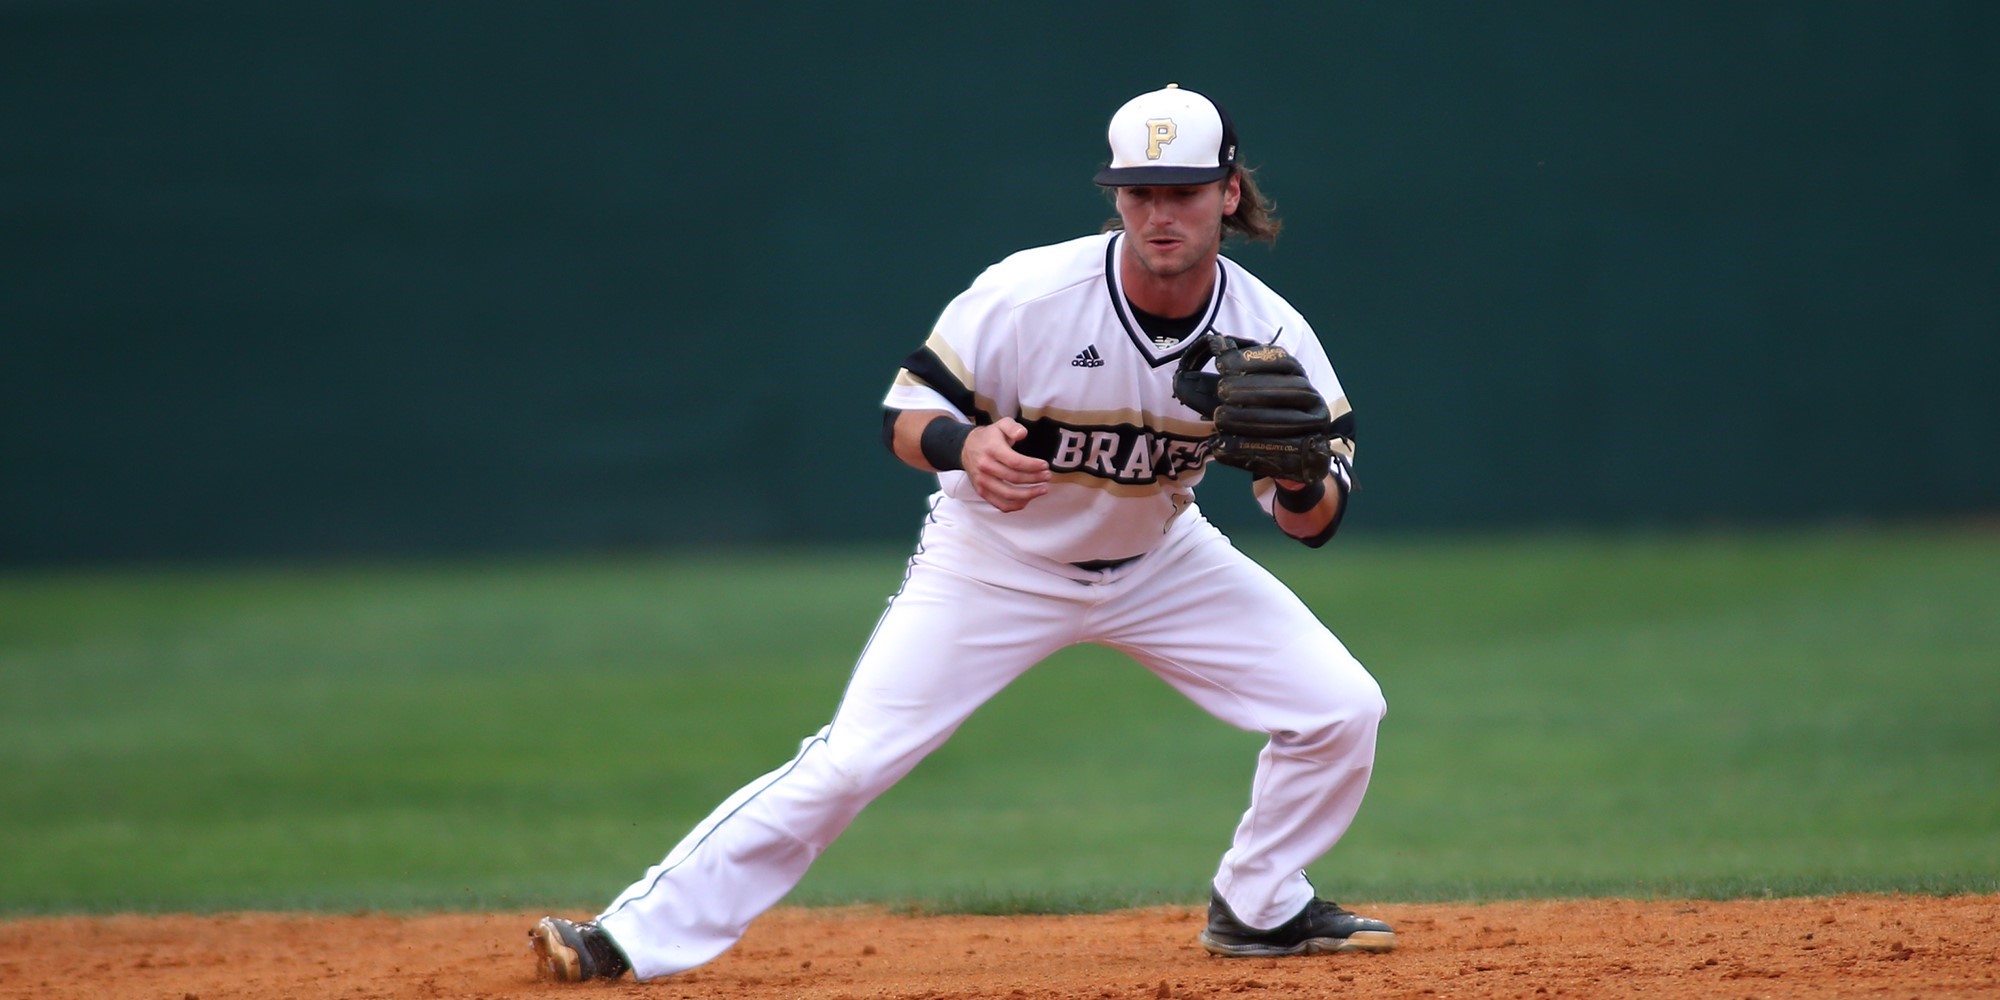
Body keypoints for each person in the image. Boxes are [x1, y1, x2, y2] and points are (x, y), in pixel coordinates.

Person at [529, 83, 1394, 983]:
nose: (1159, 212)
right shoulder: (1030, 295)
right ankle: (627, 937)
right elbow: (907, 416)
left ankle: (1258, 904)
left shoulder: (1271, 333)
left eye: (1181, 190)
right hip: (995, 562)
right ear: (1114, 196)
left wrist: (1296, 477)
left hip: (1160, 559)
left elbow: (1315, 521)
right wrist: (967, 443)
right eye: (1139, 191)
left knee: (1340, 708)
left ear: (1226, 193)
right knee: (851, 761)